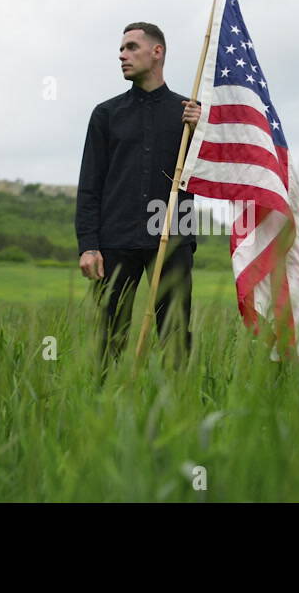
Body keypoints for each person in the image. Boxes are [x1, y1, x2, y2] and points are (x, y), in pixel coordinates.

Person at [76, 22, 202, 375]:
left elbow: (211, 173)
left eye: (131, 47)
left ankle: (177, 412)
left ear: (156, 52)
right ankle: (106, 410)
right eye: (121, 49)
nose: (122, 55)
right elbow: (89, 184)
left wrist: (202, 130)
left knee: (176, 335)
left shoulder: (190, 113)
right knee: (108, 338)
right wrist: (88, 244)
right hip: (115, 236)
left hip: (174, 234)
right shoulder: (105, 114)